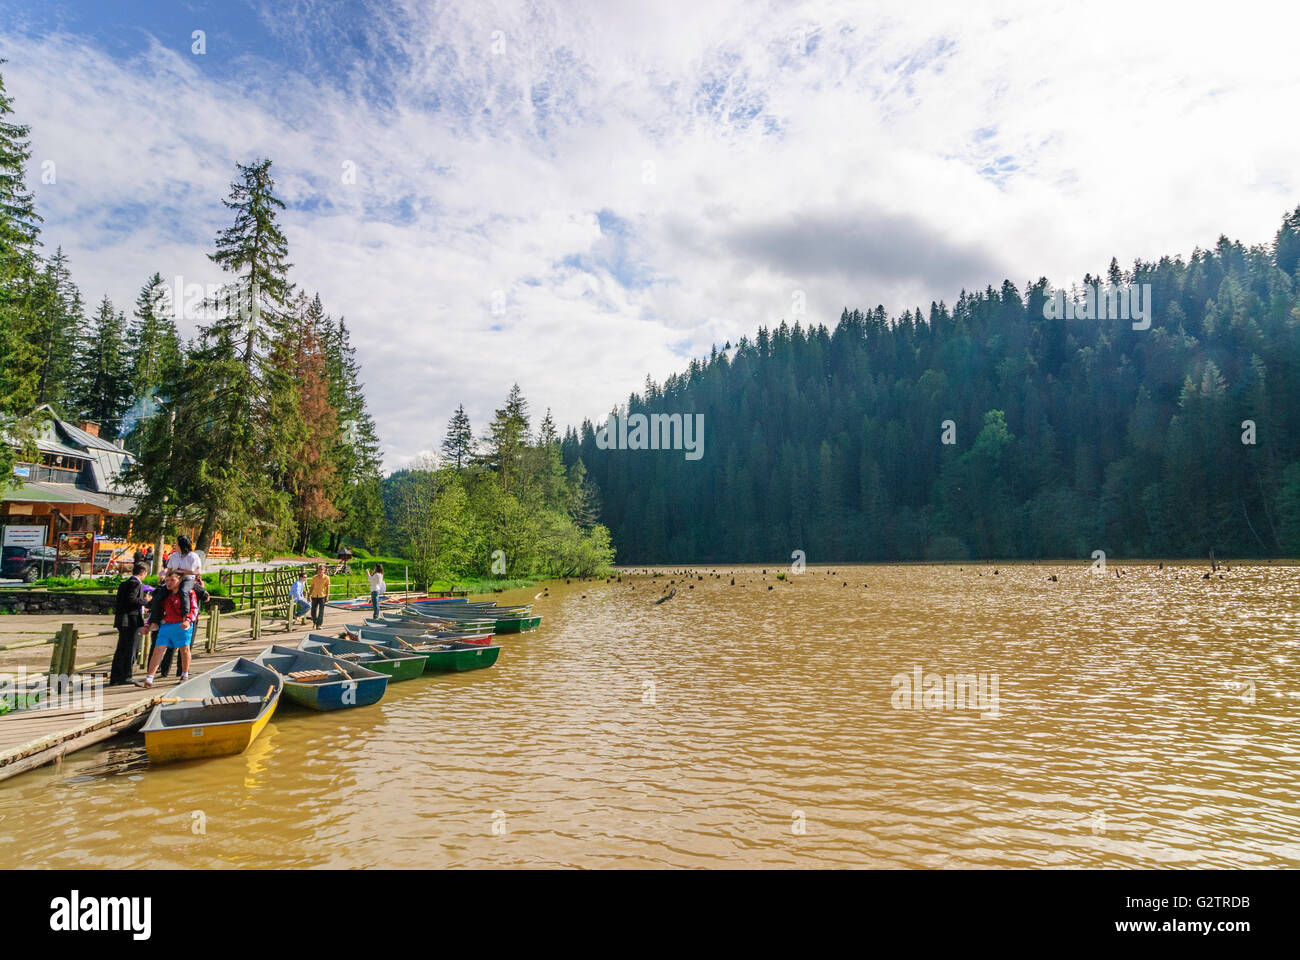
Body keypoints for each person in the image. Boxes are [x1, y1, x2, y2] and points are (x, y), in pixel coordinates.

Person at [136, 571, 197, 688]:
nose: (168, 583)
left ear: (180, 581)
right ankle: (149, 679)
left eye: (172, 580)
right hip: (167, 624)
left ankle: (184, 674)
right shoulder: (164, 595)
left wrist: (188, 620)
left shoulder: (189, 593)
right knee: (157, 650)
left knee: (184, 650)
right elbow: (156, 611)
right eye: (167, 580)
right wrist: (147, 625)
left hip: (182, 624)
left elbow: (194, 609)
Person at [110, 562, 148, 685]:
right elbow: (132, 600)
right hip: (131, 621)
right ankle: (126, 676)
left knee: (121, 649)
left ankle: (115, 676)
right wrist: (144, 601)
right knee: (130, 649)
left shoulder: (124, 584)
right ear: (143, 573)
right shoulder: (135, 583)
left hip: (122, 620)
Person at [309, 563, 330, 629]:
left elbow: (328, 587)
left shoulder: (326, 578)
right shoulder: (314, 577)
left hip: (322, 596)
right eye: (319, 569)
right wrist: (308, 595)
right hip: (314, 596)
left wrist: (327, 596)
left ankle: (319, 625)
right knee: (313, 611)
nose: (320, 570)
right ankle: (315, 622)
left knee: (321, 611)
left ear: (324, 570)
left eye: (321, 569)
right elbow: (312, 587)